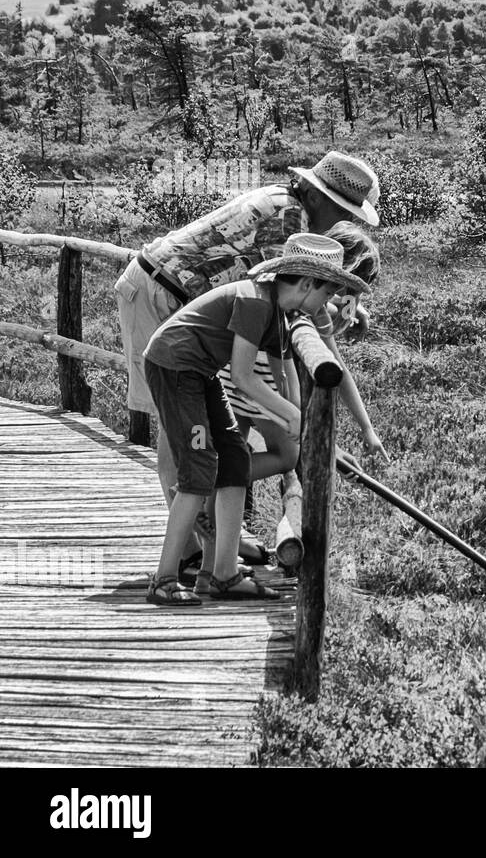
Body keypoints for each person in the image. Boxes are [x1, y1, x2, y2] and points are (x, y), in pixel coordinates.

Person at [114, 151, 381, 565]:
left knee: (198, 427)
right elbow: (289, 288)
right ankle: (189, 550)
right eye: (342, 211)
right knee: (180, 426)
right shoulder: (290, 217)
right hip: (161, 293)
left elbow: (296, 293)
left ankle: (215, 540)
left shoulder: (288, 205)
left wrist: (342, 306)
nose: (341, 223)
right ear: (318, 197)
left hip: (176, 296)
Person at [142, 233, 369, 605]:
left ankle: (223, 576)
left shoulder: (277, 314)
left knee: (234, 458)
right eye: (326, 295)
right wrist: (302, 424)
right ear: (308, 284)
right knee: (199, 471)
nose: (327, 304)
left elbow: (283, 381)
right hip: (177, 368)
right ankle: (164, 580)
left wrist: (320, 439)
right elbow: (245, 378)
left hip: (202, 372)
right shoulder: (254, 302)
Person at [196, 222, 387, 590]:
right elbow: (297, 372)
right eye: (343, 289)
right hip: (257, 379)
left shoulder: (304, 300)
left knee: (236, 452)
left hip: (242, 375)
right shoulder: (307, 308)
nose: (346, 299)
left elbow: (328, 368)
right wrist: (315, 432)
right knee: (286, 455)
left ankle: (211, 550)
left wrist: (365, 428)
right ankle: (211, 498)